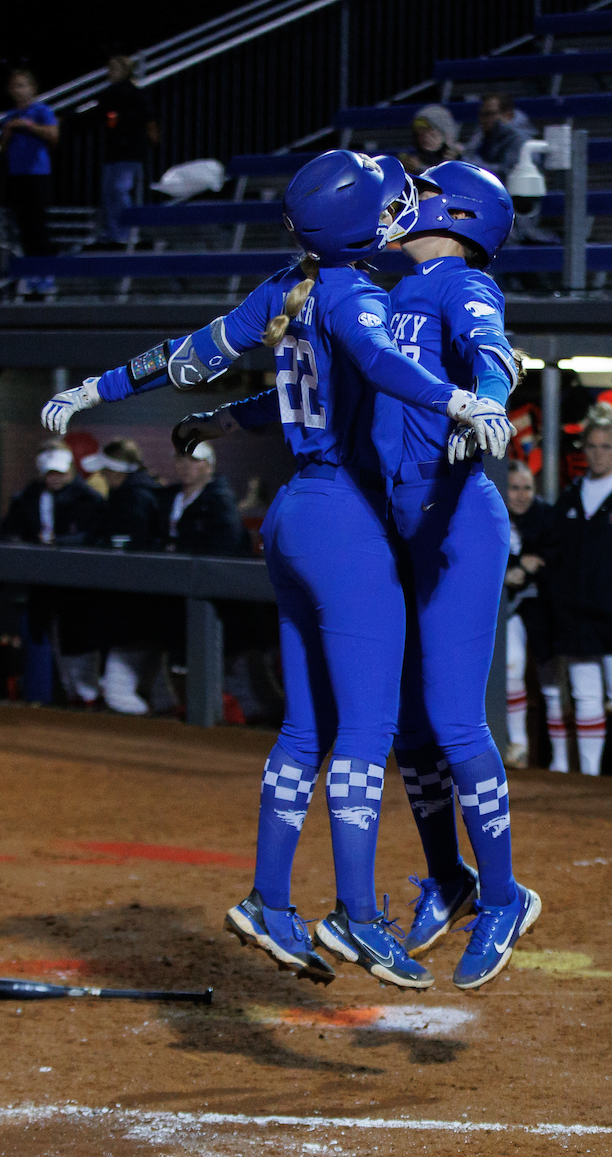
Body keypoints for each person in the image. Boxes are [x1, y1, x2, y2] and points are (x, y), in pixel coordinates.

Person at [40, 149, 512, 991]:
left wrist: (97, 391)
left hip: (292, 516)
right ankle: (360, 915)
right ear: (359, 227)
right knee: (366, 731)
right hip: (347, 522)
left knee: (305, 730)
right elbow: (381, 367)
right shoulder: (361, 296)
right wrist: (460, 399)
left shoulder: (287, 285)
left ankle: (269, 899)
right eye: (388, 202)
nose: (402, 208)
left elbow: (188, 356)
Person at [379, 160, 541, 989]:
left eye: (425, 193)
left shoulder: (460, 282)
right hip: (401, 526)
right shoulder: (388, 290)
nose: (407, 203)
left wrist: (488, 400)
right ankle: (450, 878)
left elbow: (492, 354)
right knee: (408, 726)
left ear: (461, 214)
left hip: (458, 524)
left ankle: (505, 896)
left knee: (451, 718)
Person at [549, 402, 612, 780]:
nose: (599, 453)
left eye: (606, 446)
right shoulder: (569, 497)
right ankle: (589, 779)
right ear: (583, 449)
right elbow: (557, 554)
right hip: (577, 617)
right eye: (592, 446)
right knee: (585, 698)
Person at [0, 441, 104, 705]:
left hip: (78, 588)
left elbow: (96, 536)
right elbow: (10, 532)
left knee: (78, 646)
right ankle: (72, 697)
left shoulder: (88, 499)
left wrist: (60, 542)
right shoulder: (27, 498)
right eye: (50, 473)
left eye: (60, 472)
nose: (55, 478)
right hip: (41, 586)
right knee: (53, 644)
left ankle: (87, 697)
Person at [81, 439, 162, 714]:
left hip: (136, 603)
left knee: (118, 694)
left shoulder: (133, 497)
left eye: (106, 470)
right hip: (144, 603)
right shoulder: (135, 491)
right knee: (155, 687)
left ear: (118, 471)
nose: (102, 475)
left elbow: (131, 549)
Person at [502, 460, 566, 772]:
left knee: (552, 684)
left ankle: (562, 760)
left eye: (527, 488)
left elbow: (557, 557)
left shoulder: (546, 515)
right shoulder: (493, 515)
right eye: (514, 488)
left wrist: (528, 569)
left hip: (546, 609)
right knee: (512, 666)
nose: (521, 495)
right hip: (510, 607)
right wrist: (511, 570)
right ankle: (519, 745)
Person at [1, 67, 59, 297]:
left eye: (23, 85)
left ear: (32, 88)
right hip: (16, 175)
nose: (19, 91)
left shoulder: (41, 111)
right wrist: (7, 135)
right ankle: (31, 275)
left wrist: (28, 126)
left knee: (38, 225)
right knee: (23, 226)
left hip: (37, 174)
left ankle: (46, 275)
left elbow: (54, 136)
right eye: (15, 86)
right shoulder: (9, 116)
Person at [93, 55, 159, 248]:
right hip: (113, 151)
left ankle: (128, 231)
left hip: (131, 150)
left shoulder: (136, 93)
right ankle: (113, 232)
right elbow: (100, 115)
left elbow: (147, 117)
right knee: (108, 192)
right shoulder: (109, 94)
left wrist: (151, 135)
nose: (111, 73)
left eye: (115, 69)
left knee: (120, 189)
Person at [461, 93, 532, 183]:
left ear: (507, 115)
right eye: (481, 115)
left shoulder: (520, 139)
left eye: (489, 114)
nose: (483, 120)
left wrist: (464, 160)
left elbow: (506, 173)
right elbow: (471, 153)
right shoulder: (483, 133)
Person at [398, 104, 460, 175]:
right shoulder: (410, 163)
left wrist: (420, 170)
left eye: (432, 135)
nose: (426, 138)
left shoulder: (461, 161)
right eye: (420, 134)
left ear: (446, 135)